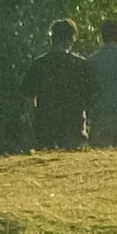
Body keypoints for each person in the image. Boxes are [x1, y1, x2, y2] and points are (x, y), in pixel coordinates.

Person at [21, 18, 90, 148]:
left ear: (52, 39)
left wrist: (32, 126)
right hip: (73, 129)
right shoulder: (81, 65)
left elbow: (28, 98)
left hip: (46, 129)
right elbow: (91, 98)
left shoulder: (39, 64)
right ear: (72, 39)